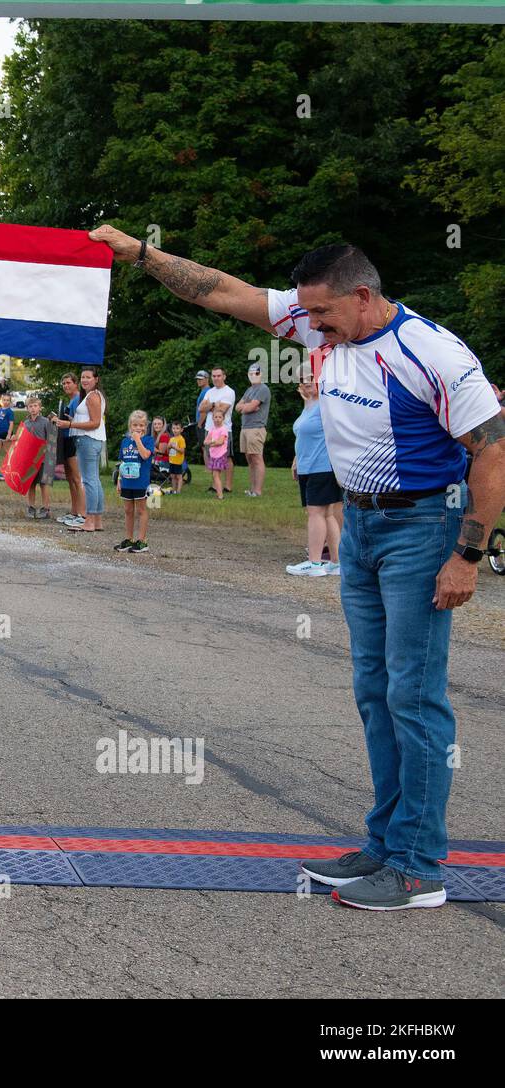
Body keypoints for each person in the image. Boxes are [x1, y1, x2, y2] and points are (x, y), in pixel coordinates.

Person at [90, 225, 505, 911]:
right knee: (375, 690)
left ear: (363, 298)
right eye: (306, 315)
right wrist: (140, 252)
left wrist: (466, 555)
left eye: (321, 316)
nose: (308, 328)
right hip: (363, 523)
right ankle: (384, 844)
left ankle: (419, 866)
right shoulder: (324, 327)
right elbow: (225, 293)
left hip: (422, 527)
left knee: (415, 696)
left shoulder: (430, 353)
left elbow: (492, 451)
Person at [288, 372, 342, 576]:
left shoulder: (326, 405)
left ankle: (315, 563)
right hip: (308, 467)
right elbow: (304, 437)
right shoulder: (308, 407)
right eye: (302, 380)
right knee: (326, 514)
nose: (307, 381)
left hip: (322, 467)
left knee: (316, 513)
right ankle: (336, 562)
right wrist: (296, 461)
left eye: (311, 377)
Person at [65, 368, 106, 532]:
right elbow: (91, 419)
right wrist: (74, 420)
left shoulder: (92, 397)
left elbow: (94, 422)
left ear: (96, 379)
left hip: (88, 441)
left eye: (88, 377)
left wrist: (69, 424)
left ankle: (89, 521)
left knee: (88, 481)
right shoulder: (92, 395)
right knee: (94, 480)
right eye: (82, 377)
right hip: (92, 440)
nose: (84, 380)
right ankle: (97, 521)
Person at [114, 409, 154, 553]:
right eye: (135, 425)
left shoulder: (148, 440)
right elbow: (122, 461)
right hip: (127, 481)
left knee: (141, 510)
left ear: (146, 426)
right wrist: (119, 479)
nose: (138, 428)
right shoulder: (125, 442)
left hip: (141, 482)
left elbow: (145, 455)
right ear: (130, 426)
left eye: (141, 425)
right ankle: (129, 539)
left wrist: (137, 440)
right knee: (128, 510)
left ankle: (142, 540)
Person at [53, 373, 86, 527]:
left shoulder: (79, 399)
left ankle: (83, 514)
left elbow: (80, 421)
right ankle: (74, 511)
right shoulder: (71, 400)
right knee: (70, 478)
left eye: (68, 383)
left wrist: (65, 422)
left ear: (75, 383)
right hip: (65, 439)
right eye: (64, 383)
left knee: (77, 478)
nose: (66, 386)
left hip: (74, 440)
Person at [16, 394, 56, 519]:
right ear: (27, 408)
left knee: (43, 484)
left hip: (42, 459)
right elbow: (22, 440)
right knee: (31, 483)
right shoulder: (26, 423)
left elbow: (51, 439)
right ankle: (31, 507)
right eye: (30, 406)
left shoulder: (45, 422)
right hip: (30, 459)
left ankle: (46, 508)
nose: (33, 408)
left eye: (35, 406)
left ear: (40, 408)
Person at [236, 362, 272, 496]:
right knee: (250, 460)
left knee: (257, 458)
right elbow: (237, 406)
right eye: (251, 373)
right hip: (245, 427)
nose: (253, 376)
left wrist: (247, 407)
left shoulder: (263, 389)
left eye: (256, 373)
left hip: (256, 428)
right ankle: (252, 490)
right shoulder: (249, 390)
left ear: (261, 374)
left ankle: (258, 491)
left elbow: (250, 407)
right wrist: (247, 407)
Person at [199, 367, 237, 494]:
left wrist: (211, 406)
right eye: (214, 376)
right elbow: (201, 408)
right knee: (212, 456)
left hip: (223, 430)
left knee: (227, 457)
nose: (216, 378)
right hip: (209, 428)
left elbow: (222, 410)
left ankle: (228, 486)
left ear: (224, 376)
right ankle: (215, 485)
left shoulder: (229, 392)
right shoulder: (210, 391)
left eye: (218, 375)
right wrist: (215, 404)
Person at [204, 402, 232, 499]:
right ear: (213, 418)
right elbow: (205, 441)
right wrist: (212, 442)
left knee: (216, 475)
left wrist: (211, 442)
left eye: (220, 417)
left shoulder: (223, 430)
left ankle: (220, 496)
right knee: (215, 475)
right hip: (213, 455)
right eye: (215, 417)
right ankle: (219, 494)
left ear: (223, 418)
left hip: (220, 455)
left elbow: (220, 442)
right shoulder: (212, 429)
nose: (217, 419)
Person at [194, 370, 212, 473]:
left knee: (205, 445)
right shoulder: (204, 391)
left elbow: (204, 409)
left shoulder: (207, 391)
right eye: (197, 379)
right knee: (203, 445)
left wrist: (200, 423)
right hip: (202, 422)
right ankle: (208, 467)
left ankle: (209, 468)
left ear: (207, 379)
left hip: (203, 422)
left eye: (201, 379)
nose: (198, 381)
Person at [167, 419, 187, 493]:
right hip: (172, 460)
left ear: (181, 430)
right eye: (173, 428)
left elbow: (182, 451)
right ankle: (174, 489)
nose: (175, 430)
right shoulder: (171, 439)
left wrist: (175, 447)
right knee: (172, 476)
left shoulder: (181, 439)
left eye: (177, 428)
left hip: (178, 461)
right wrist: (168, 447)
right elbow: (168, 451)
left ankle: (178, 490)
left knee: (179, 476)